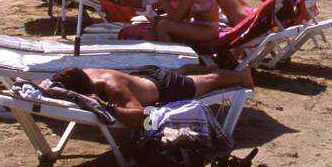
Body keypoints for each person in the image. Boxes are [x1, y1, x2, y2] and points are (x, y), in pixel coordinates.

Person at [49, 63, 247, 128]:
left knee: (210, 81)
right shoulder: (86, 73)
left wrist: (107, 106)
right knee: (184, 71)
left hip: (165, 87)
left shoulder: (112, 89)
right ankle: (205, 67)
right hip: (144, 76)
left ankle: (242, 75)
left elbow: (142, 118)